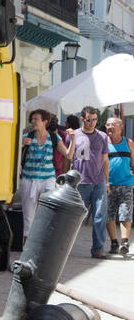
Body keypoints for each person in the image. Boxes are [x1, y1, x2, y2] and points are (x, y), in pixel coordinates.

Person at [72, 106, 110, 258]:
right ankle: (63, 247)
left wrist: (107, 182)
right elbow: (68, 158)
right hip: (80, 182)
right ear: (82, 118)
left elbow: (106, 160)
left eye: (95, 120)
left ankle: (98, 250)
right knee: (74, 218)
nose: (92, 122)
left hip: (99, 182)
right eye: (89, 119)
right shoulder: (73, 135)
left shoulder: (102, 136)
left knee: (100, 216)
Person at [19, 110, 57, 239]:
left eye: (36, 119)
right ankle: (27, 244)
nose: (33, 121)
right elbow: (12, 153)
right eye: (32, 119)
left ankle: (44, 240)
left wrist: (73, 140)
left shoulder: (54, 137)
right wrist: (22, 144)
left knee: (47, 211)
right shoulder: (26, 135)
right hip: (29, 179)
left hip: (48, 179)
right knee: (28, 215)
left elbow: (68, 154)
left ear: (45, 122)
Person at [107, 115, 133, 256]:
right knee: (109, 215)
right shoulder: (104, 143)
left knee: (125, 214)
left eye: (113, 125)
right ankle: (114, 243)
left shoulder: (129, 143)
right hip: (108, 185)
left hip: (126, 184)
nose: (110, 127)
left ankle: (124, 242)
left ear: (120, 127)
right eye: (108, 125)